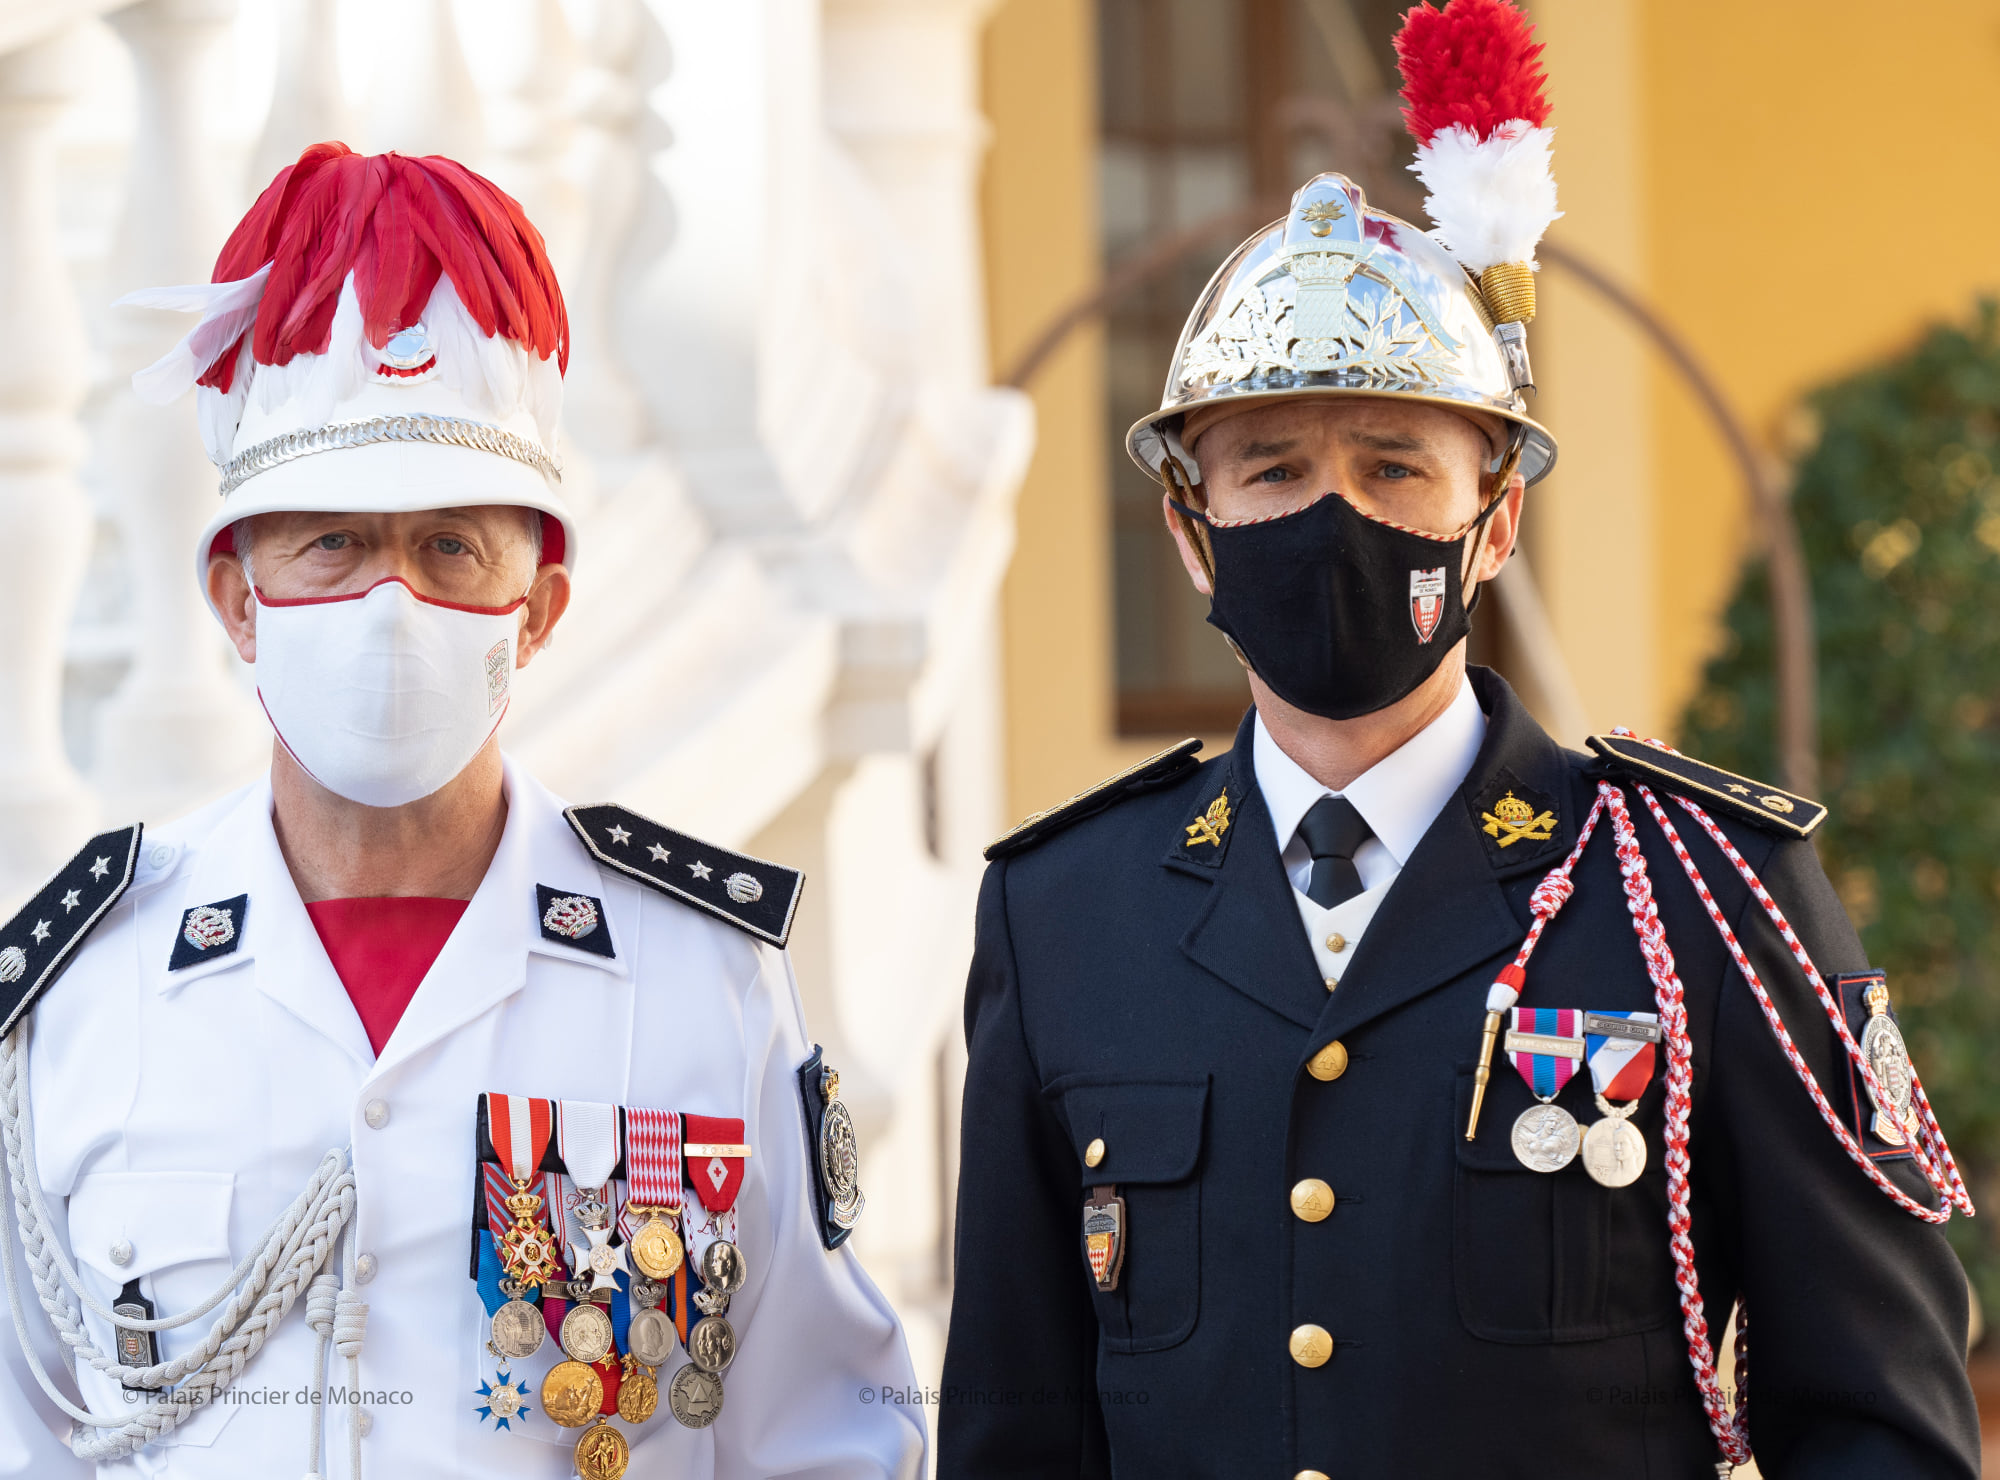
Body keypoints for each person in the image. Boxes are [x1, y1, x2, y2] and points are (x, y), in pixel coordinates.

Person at [938, 3, 1979, 1476]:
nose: (1333, 516)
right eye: (1273, 469)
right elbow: (1014, 1430)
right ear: (1191, 530)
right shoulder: (1063, 918)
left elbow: (1880, 1428)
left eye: (1394, 466)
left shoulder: (1702, 899)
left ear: (1497, 521)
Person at [0, 143, 924, 1480]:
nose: (391, 604)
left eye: (450, 547)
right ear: (234, 600)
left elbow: (828, 1434)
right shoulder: (85, 986)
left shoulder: (703, 976)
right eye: (331, 542)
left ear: (539, 607)